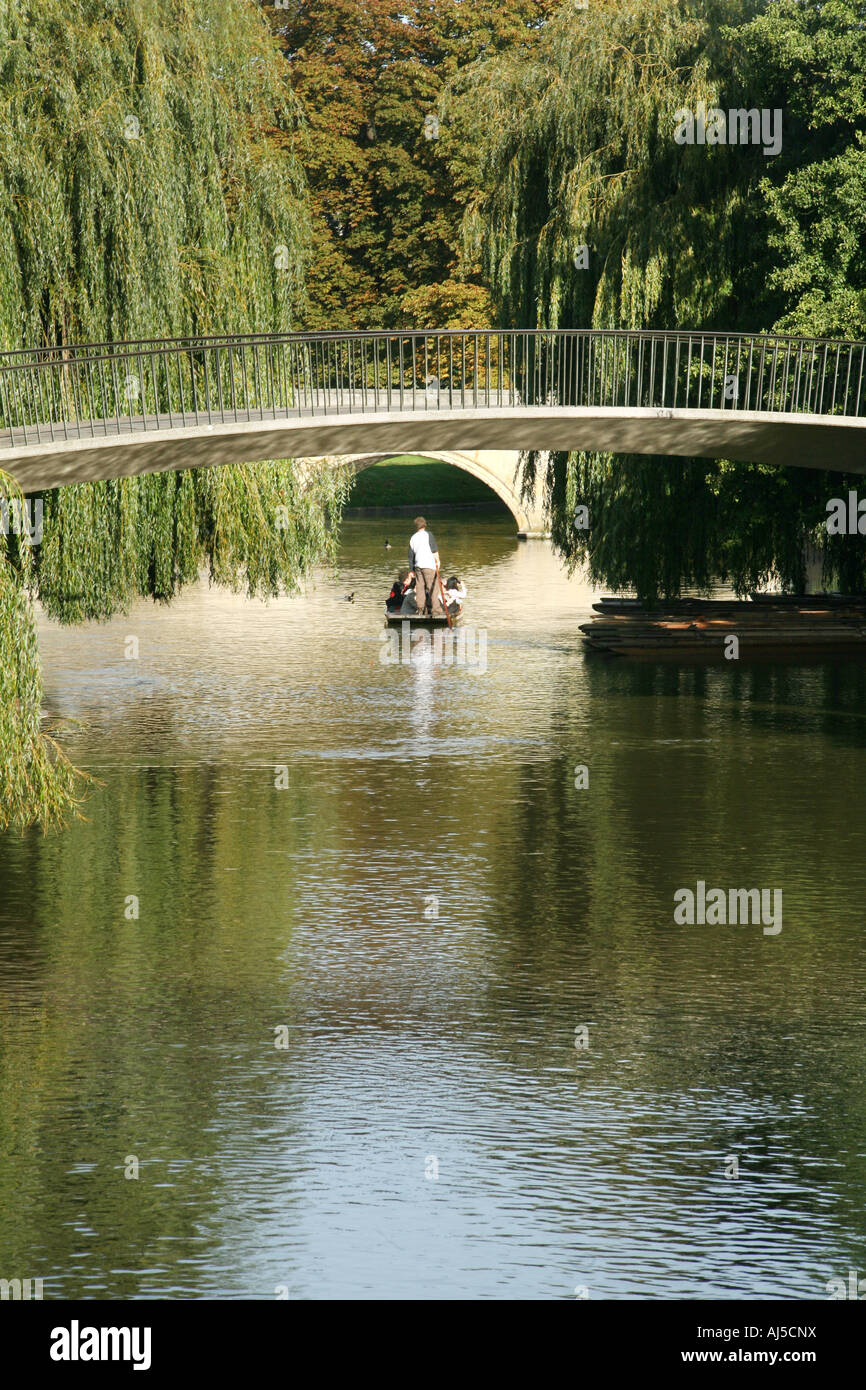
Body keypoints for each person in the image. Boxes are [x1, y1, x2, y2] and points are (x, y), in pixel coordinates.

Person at [406, 516, 444, 616]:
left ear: (416, 526)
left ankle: (421, 610)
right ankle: (436, 611)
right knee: (433, 588)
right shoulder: (429, 535)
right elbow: (434, 549)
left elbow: (411, 556)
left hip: (418, 566)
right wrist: (438, 561)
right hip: (428, 565)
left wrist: (411, 570)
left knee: (420, 588)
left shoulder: (413, 538)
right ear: (425, 525)